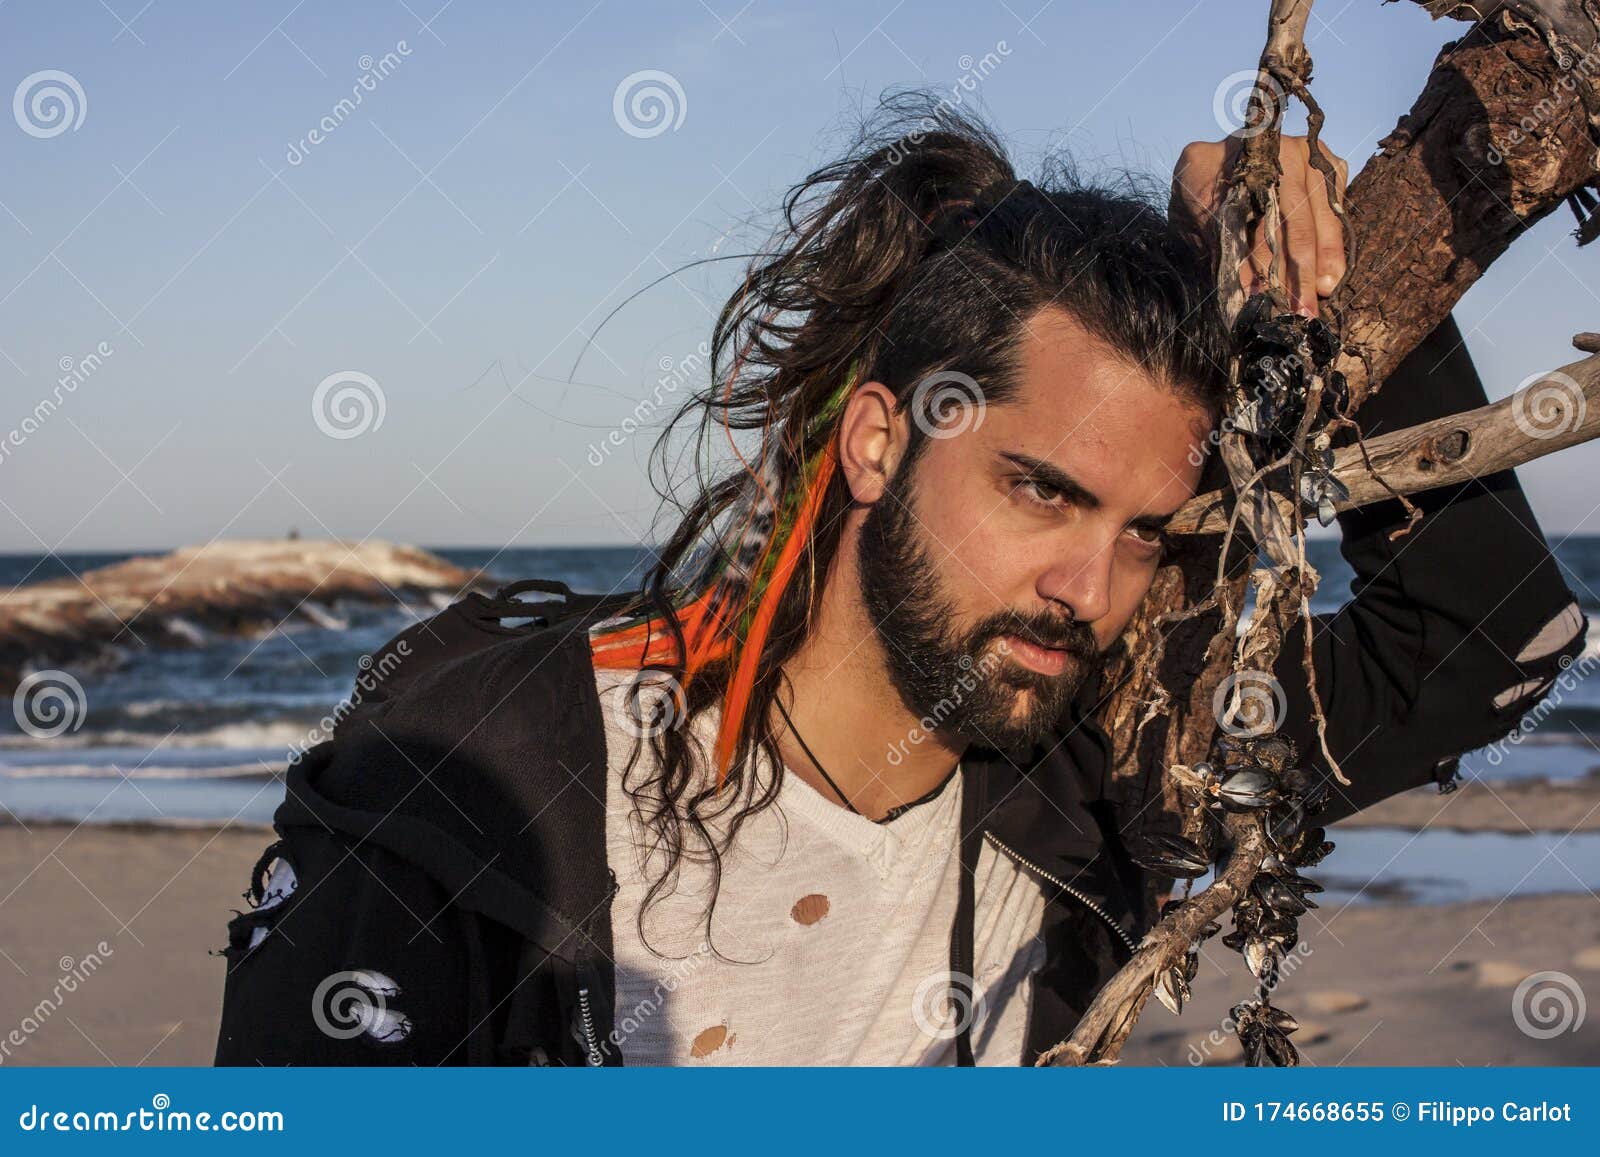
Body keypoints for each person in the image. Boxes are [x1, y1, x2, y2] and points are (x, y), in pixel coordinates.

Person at [213, 99, 1585, 1066]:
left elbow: (1494, 635)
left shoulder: (1098, 761)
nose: (1087, 584)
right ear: (882, 438)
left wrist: (1331, 285)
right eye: (1040, 488)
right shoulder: (498, 769)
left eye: (1147, 530)